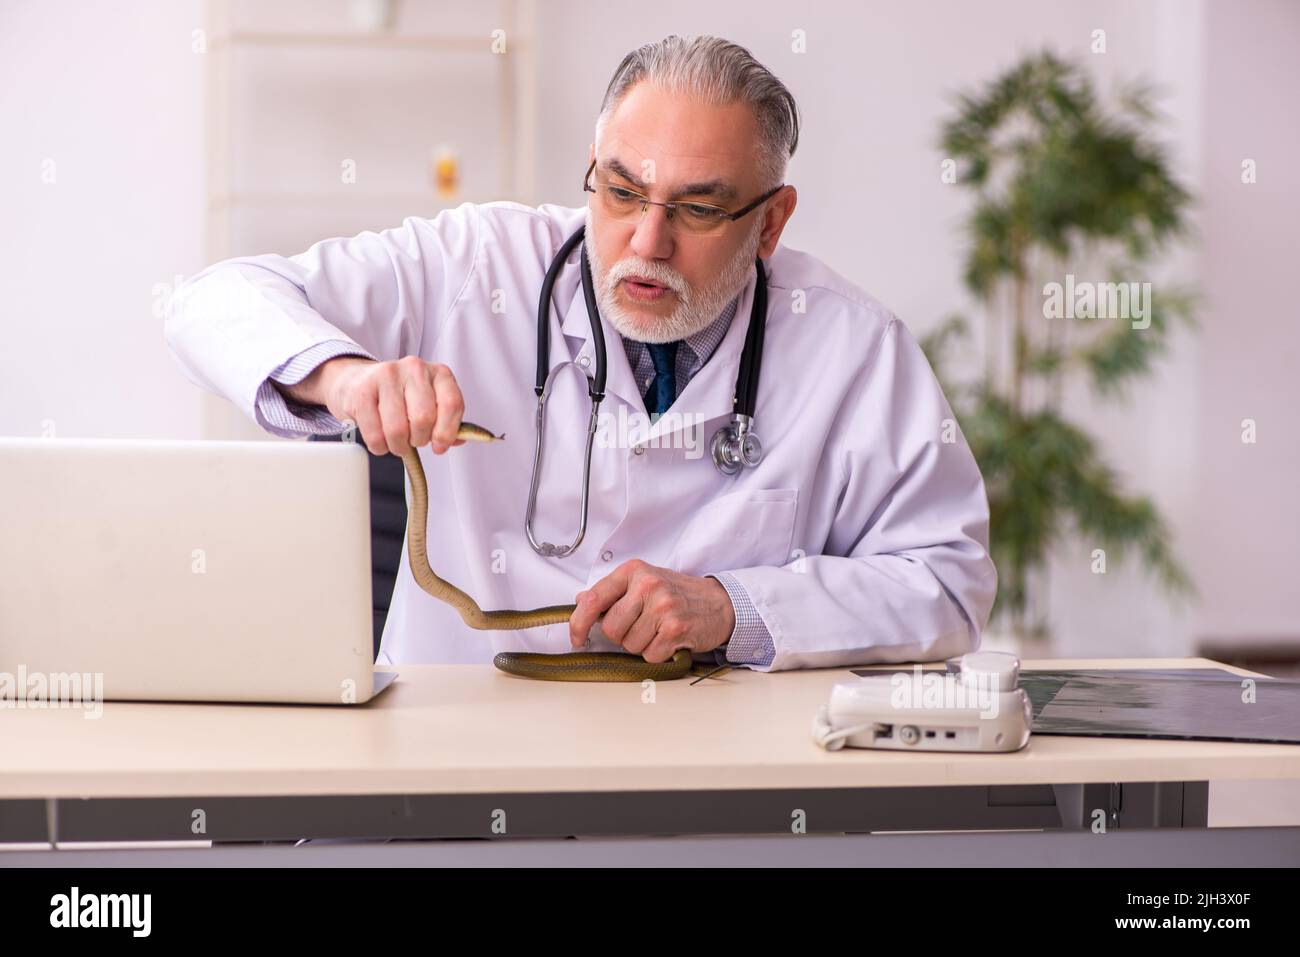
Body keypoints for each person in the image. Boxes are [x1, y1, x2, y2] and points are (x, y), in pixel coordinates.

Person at [165, 35, 996, 671]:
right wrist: (343, 380)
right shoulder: (475, 265)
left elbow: (949, 583)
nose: (647, 241)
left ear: (771, 223)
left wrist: (732, 606)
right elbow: (207, 300)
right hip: (449, 770)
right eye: (622, 191)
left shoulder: (852, 348)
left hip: (711, 791)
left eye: (699, 210)